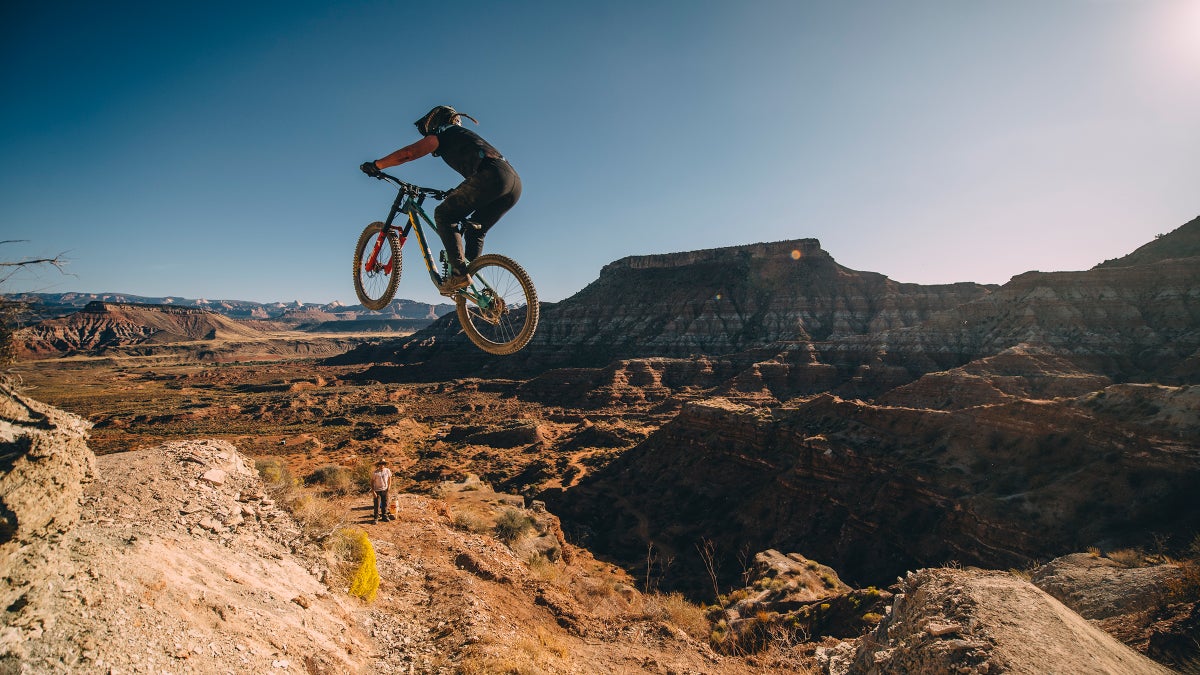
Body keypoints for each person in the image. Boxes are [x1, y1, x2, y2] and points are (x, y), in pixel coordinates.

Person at [361, 105, 522, 295]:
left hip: (491, 176)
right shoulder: (464, 135)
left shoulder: (444, 133)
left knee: (444, 215)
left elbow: (408, 153)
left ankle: (459, 275)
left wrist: (377, 165)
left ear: (436, 122)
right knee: (475, 231)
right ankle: (470, 283)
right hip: (513, 183)